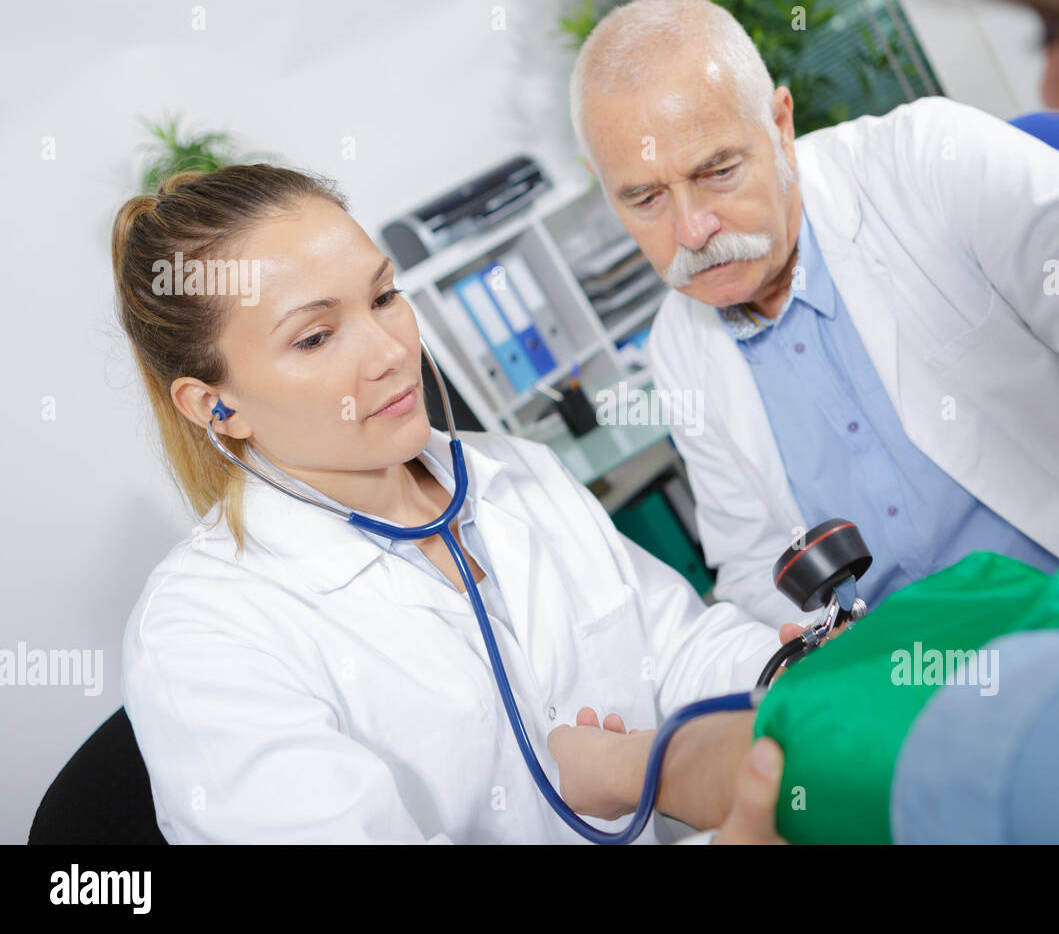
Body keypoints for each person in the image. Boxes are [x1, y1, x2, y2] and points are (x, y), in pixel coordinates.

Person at [546, 0, 1059, 844]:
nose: (691, 230)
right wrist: (809, 661)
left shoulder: (930, 165)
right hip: (922, 707)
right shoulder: (679, 346)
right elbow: (756, 569)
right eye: (643, 198)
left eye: (717, 169)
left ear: (781, 123)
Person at [112, 164, 785, 844]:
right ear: (215, 405)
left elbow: (678, 649)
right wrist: (633, 776)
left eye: (383, 298)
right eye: (314, 337)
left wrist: (795, 686)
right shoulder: (200, 635)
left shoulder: (517, 473)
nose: (390, 352)